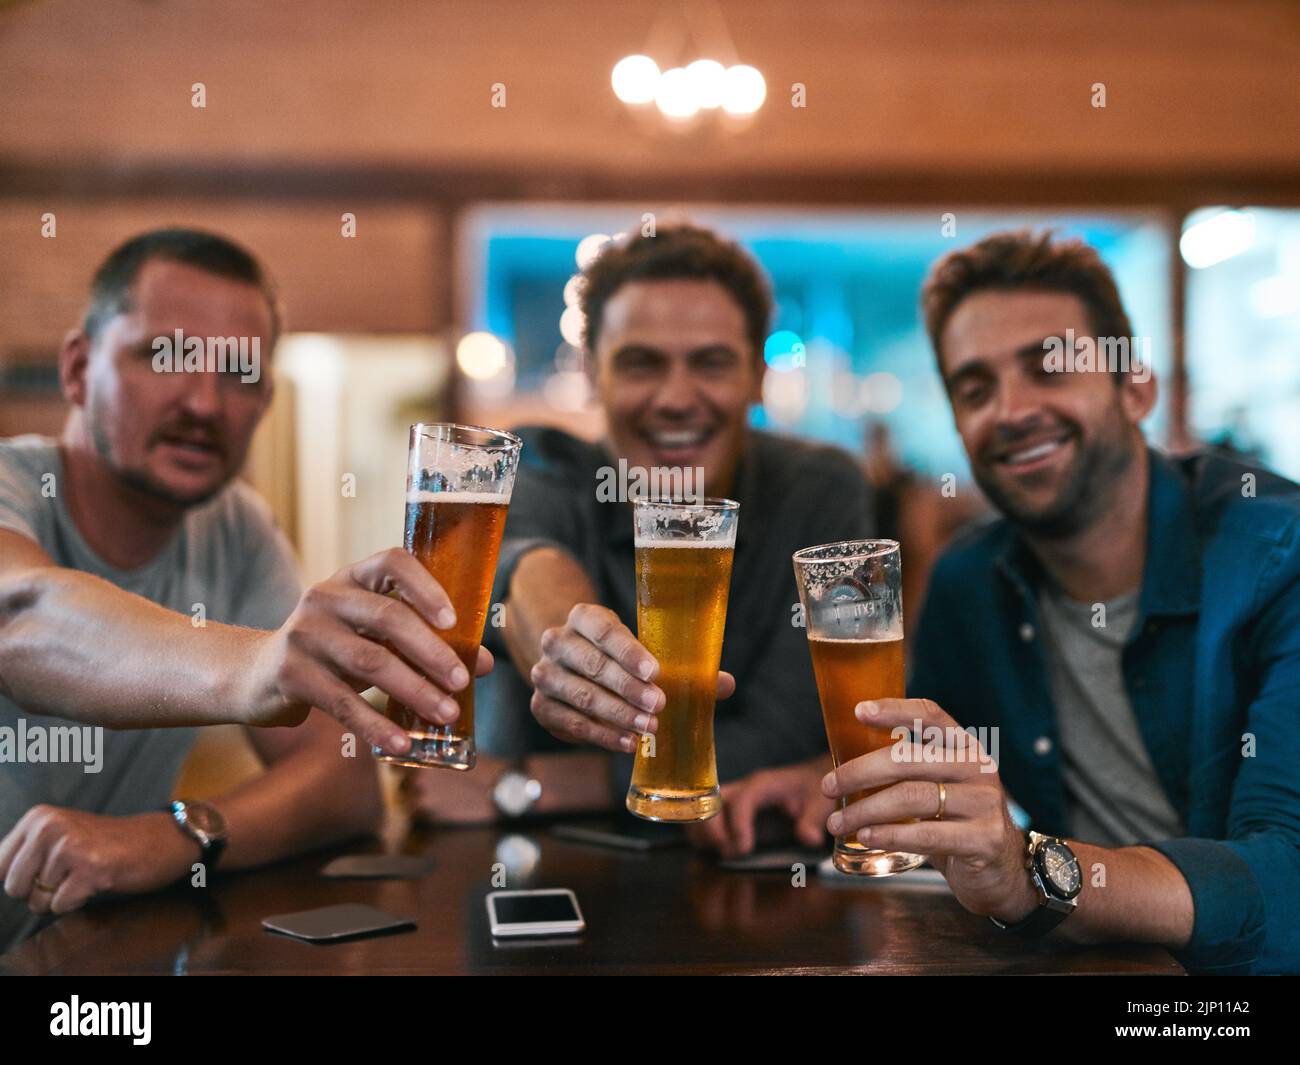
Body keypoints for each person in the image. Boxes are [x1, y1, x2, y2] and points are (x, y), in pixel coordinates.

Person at [694, 230, 1300, 975]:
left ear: (1136, 387)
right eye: (976, 388)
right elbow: (938, 764)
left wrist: (1030, 871)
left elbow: (1286, 874)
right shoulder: (970, 580)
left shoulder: (1279, 556)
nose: (1012, 410)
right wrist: (825, 779)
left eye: (1050, 367)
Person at [0, 229, 489, 950]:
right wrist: (255, 664)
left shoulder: (233, 527)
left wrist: (180, 834)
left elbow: (340, 783)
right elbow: (23, 619)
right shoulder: (15, 487)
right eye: (166, 357)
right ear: (78, 368)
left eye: (240, 373)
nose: (204, 401)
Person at [404, 223, 874, 822]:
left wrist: (531, 785)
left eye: (710, 363)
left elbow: (799, 731)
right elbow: (526, 564)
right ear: (590, 372)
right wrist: (566, 638)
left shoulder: (821, 490)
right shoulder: (538, 465)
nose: (676, 398)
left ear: (756, 375)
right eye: (640, 364)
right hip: (549, 875)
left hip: (757, 874)